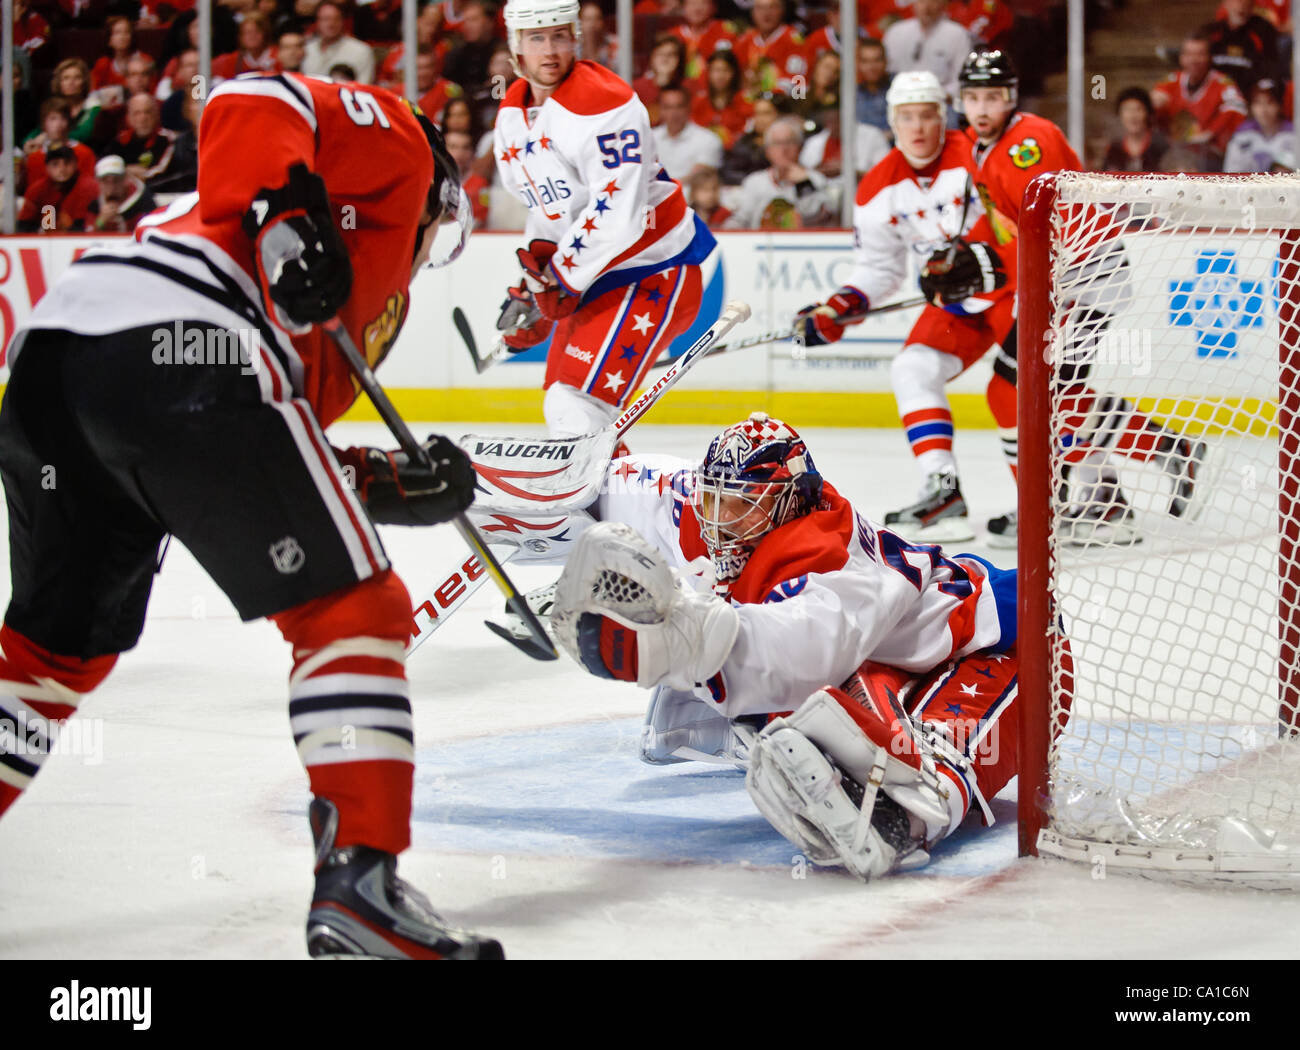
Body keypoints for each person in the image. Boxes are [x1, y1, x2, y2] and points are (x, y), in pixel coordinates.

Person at [0, 72, 499, 960]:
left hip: (58, 358)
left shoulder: (320, 315)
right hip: (187, 334)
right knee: (352, 608)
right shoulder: (407, 153)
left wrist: (389, 484)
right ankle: (361, 885)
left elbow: (244, 460)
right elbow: (251, 95)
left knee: (52, 657)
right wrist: (286, 216)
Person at [545, 413, 1024, 882]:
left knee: (916, 774)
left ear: (791, 504)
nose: (720, 521)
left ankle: (910, 817)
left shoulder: (834, 560)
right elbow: (596, 484)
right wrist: (489, 488)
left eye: (742, 506)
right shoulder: (692, 498)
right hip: (891, 657)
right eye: (715, 500)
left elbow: (804, 654)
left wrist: (667, 647)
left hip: (1000, 643)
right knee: (822, 717)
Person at [961, 48, 1206, 546]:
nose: (982, 107)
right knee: (1042, 390)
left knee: (1026, 389)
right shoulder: (978, 145)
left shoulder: (1029, 140)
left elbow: (1060, 223)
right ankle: (1152, 460)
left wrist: (1046, 288)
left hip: (1083, 276)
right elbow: (1009, 228)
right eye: (972, 97)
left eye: (992, 96)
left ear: (1009, 97)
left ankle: (1084, 501)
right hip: (1058, 283)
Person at [788, 71, 1000, 541]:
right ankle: (943, 489)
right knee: (912, 368)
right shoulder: (879, 187)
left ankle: (1099, 483)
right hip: (956, 306)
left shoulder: (978, 156)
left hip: (1011, 291)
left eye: (928, 115)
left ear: (943, 117)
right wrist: (839, 305)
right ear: (892, 122)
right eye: (907, 117)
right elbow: (881, 269)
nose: (918, 127)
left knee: (1035, 393)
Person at [492, 0, 716, 439]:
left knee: (576, 402)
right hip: (595, 278)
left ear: (575, 36)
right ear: (515, 45)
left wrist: (559, 278)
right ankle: (608, 503)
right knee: (567, 407)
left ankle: (594, 505)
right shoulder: (512, 116)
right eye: (537, 37)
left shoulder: (605, 103)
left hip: (651, 272)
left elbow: (617, 212)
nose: (550, 49)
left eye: (559, 35)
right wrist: (534, 287)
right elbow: (547, 210)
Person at [1150, 31, 1247, 171]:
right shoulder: (1171, 81)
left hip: (1208, 155)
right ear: (1181, 58)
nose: (1194, 60)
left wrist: (1210, 133)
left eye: (1200, 54)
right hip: (1173, 153)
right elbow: (1150, 104)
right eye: (1189, 54)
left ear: (1209, 57)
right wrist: (1154, 105)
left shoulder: (1222, 83)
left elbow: (1237, 109)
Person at [727, 115, 837, 228]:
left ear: (799, 147)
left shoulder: (815, 179)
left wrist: (804, 184)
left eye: (789, 142)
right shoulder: (755, 182)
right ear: (767, 151)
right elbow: (741, 219)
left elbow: (818, 217)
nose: (784, 149)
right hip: (761, 243)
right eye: (777, 143)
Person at [882, 0, 971, 105]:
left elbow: (963, 77)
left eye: (932, 2)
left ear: (943, 4)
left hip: (940, 101)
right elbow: (885, 71)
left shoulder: (957, 34)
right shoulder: (895, 32)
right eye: (921, 2)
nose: (926, 7)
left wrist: (942, 95)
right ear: (913, 4)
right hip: (898, 99)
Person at [16, 145, 99, 233]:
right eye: (55, 164)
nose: (62, 169)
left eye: (67, 163)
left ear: (76, 164)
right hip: (45, 239)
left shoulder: (88, 186)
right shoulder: (37, 190)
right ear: (47, 168)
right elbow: (24, 226)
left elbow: (85, 226)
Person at [652, 84, 725, 182]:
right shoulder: (649, 138)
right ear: (660, 110)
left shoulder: (708, 140)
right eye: (667, 107)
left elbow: (700, 176)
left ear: (688, 108)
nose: (673, 113)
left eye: (679, 106)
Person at [1224, 77, 1295, 171]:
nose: (1263, 110)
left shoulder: (1294, 135)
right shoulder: (1241, 135)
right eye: (1258, 103)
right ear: (1251, 107)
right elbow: (1230, 174)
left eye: (1270, 102)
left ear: (1280, 105)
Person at [302, 1, 375, 83]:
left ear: (343, 21)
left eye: (336, 19)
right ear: (317, 22)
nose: (331, 24)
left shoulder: (361, 51)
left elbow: (365, 88)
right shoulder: (306, 49)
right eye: (326, 19)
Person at [1099, 86, 1168, 171]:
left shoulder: (1162, 148)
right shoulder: (1113, 151)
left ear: (1148, 114)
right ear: (1120, 114)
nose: (1132, 116)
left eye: (1138, 109)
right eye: (1127, 110)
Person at [85, 153, 156, 232]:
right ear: (98, 182)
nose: (111, 186)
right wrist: (101, 220)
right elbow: (86, 236)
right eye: (105, 181)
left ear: (125, 179)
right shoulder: (94, 202)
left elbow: (150, 230)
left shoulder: (143, 201)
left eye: (116, 180)